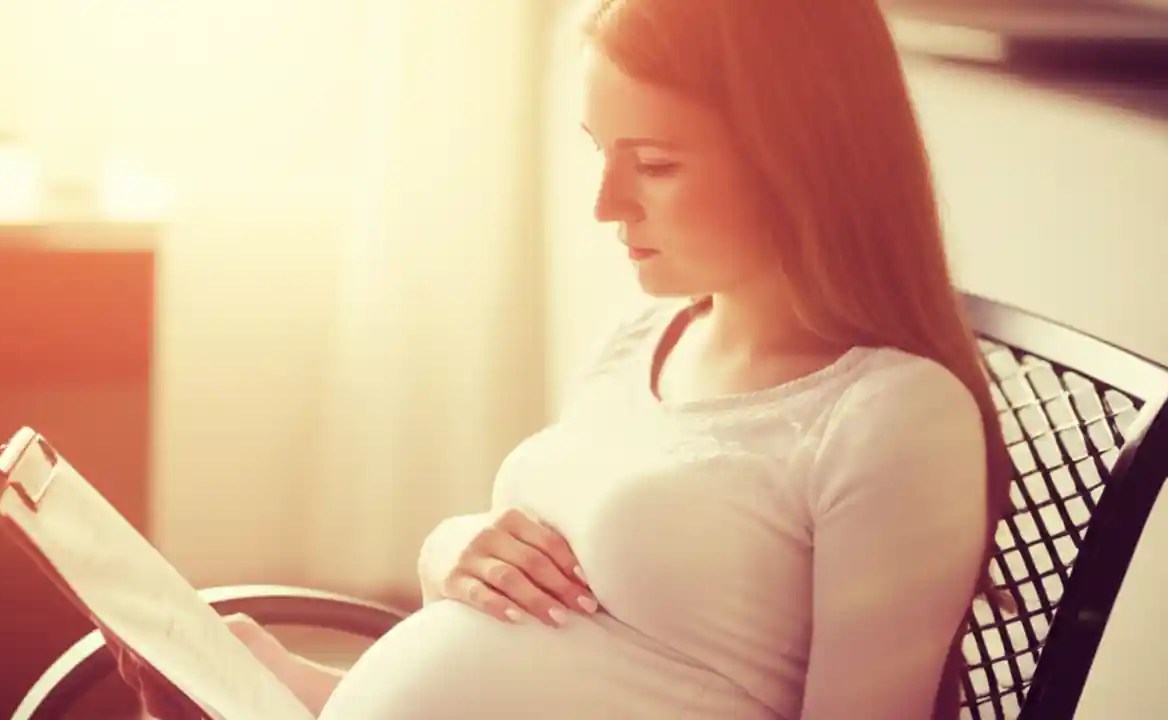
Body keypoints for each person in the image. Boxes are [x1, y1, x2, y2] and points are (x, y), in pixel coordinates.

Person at [110, 0, 1015, 717]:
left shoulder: (892, 417)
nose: (607, 206)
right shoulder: (639, 345)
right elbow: (579, 656)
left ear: (800, 157)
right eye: (598, 154)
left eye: (654, 165)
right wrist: (446, 557)